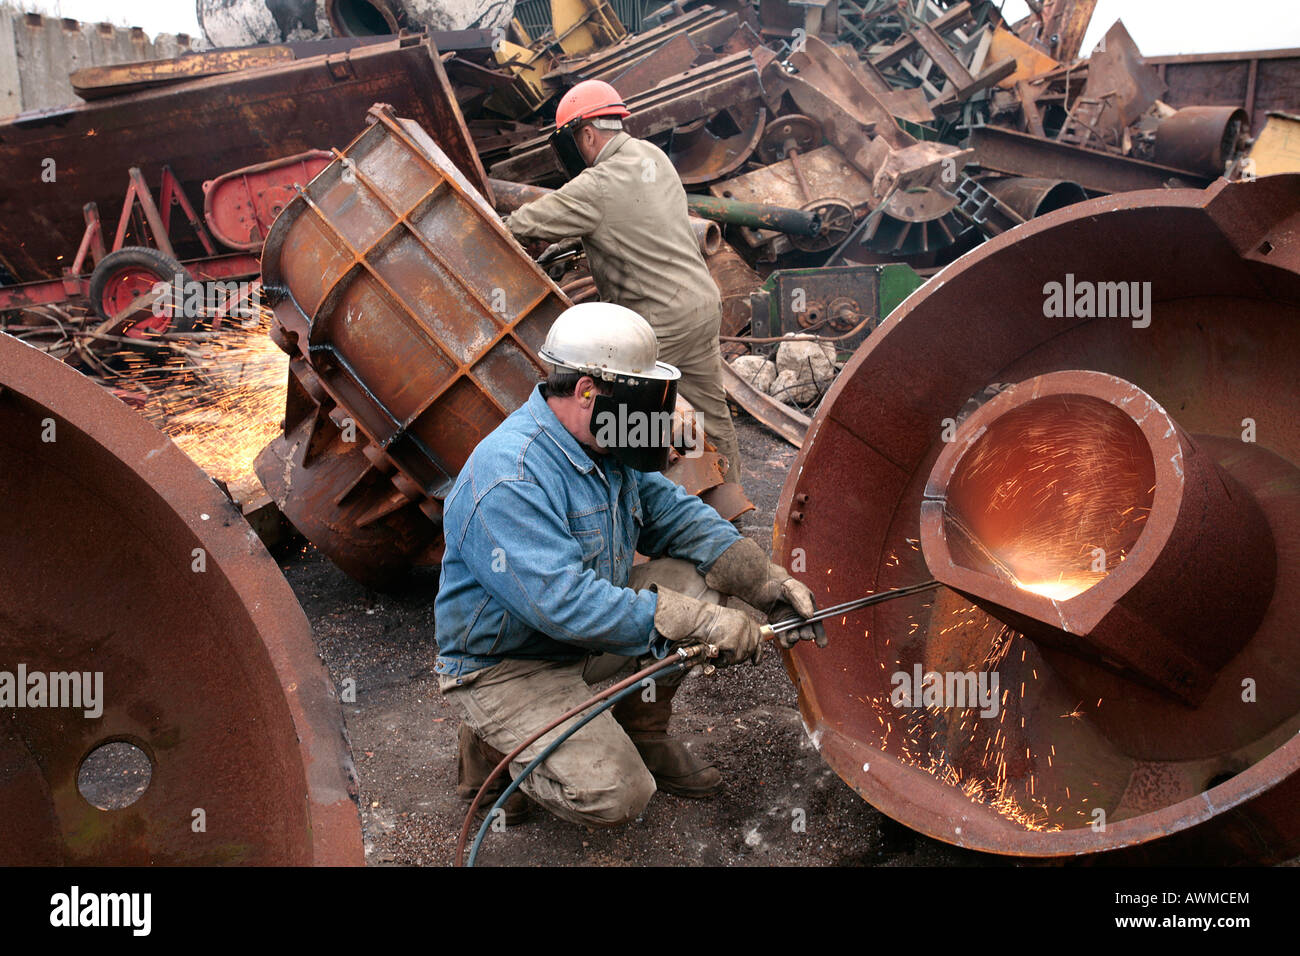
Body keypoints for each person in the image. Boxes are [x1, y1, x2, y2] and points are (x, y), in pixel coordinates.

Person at [435, 302, 824, 827]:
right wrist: (700, 624)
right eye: (634, 400)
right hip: (511, 662)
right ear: (586, 391)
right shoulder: (510, 478)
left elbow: (679, 515)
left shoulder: (602, 441)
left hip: (581, 638)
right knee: (617, 795)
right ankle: (493, 747)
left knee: (700, 581)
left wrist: (766, 582)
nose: (642, 419)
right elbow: (565, 605)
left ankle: (644, 734)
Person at [503, 79, 745, 488]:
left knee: (623, 424)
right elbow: (634, 217)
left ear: (587, 134)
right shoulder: (653, 157)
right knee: (709, 413)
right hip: (702, 304)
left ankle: (638, 515)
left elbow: (522, 225)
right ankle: (730, 506)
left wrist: (500, 228)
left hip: (660, 320)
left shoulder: (597, 184)